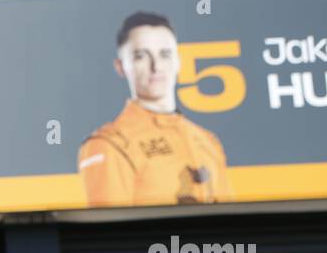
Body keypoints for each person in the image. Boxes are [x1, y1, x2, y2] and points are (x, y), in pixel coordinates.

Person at [78, 12, 234, 206]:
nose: (156, 66)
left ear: (178, 61)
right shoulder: (110, 144)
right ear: (121, 67)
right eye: (141, 56)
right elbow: (110, 231)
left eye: (165, 54)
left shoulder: (208, 141)